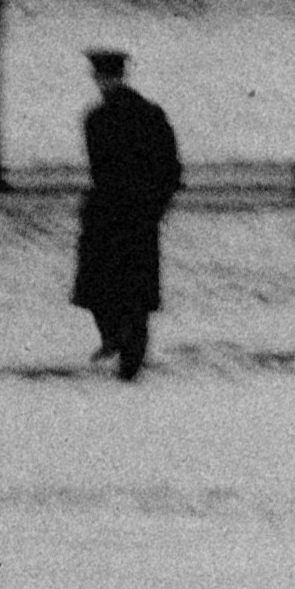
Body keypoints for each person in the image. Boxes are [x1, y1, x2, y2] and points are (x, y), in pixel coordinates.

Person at [70, 49, 183, 381]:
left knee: (104, 286)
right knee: (128, 288)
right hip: (131, 214)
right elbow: (171, 170)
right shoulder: (145, 115)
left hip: (114, 212)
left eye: (103, 77)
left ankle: (119, 345)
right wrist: (154, 208)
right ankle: (126, 351)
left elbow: (105, 169)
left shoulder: (100, 118)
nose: (101, 83)